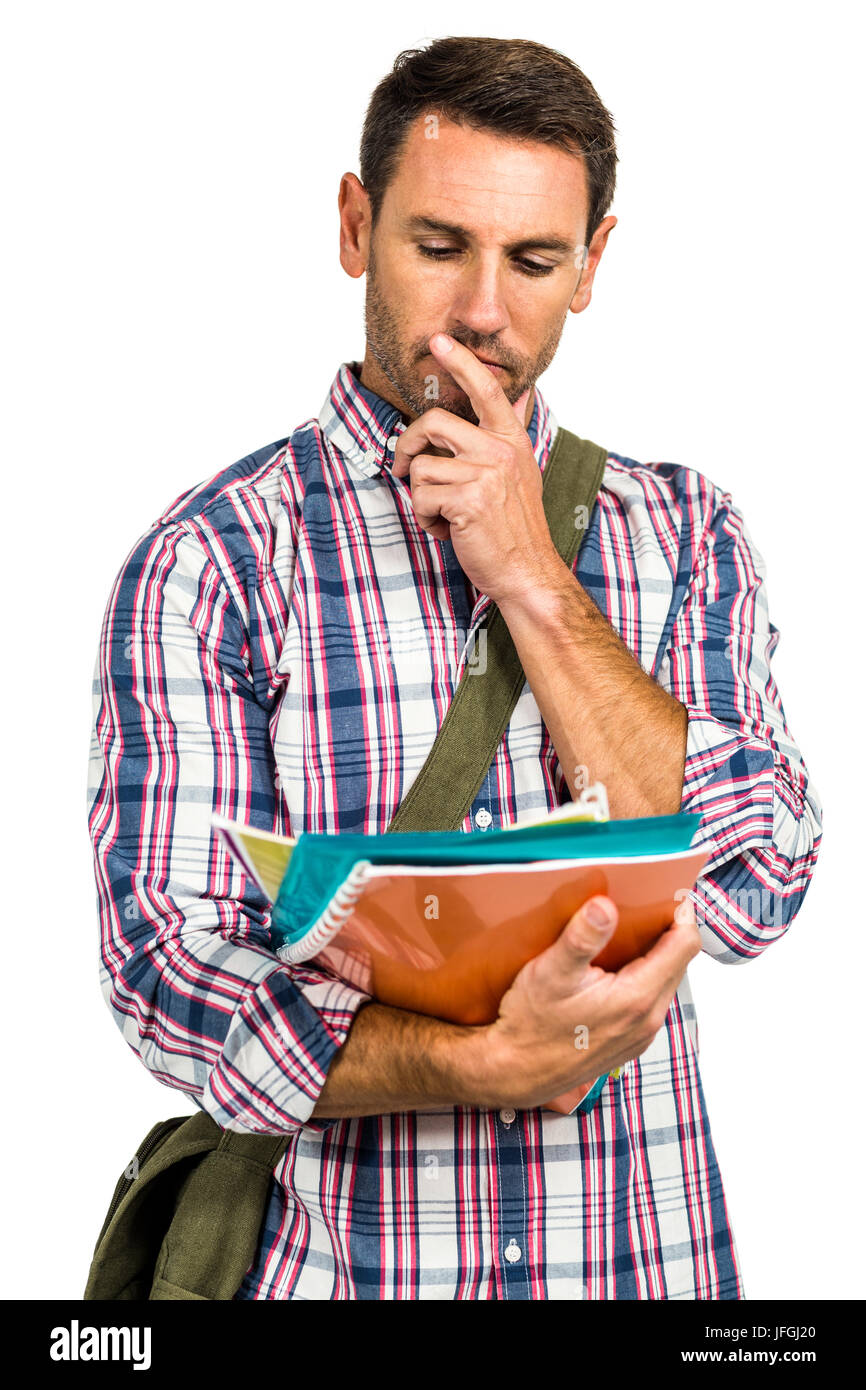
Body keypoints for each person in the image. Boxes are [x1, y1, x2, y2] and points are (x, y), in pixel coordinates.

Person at [87, 35, 823, 1300]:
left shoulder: (685, 529)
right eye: (438, 246)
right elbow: (166, 966)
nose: (483, 306)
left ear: (590, 264)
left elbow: (759, 878)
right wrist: (468, 1062)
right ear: (353, 224)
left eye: (533, 259)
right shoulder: (211, 561)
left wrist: (531, 575)